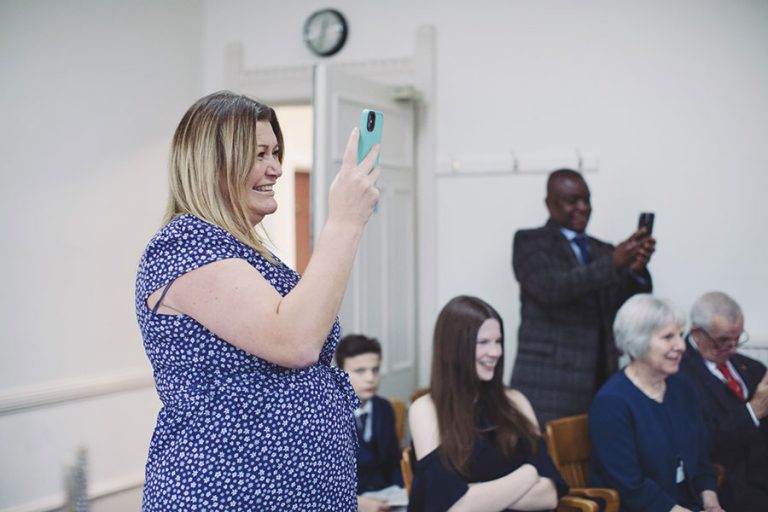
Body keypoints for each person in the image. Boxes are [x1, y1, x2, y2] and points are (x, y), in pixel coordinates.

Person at [134, 91, 381, 511]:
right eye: (260, 154)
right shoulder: (184, 244)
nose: (276, 168)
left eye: (276, 152)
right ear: (213, 164)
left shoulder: (245, 252)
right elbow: (295, 341)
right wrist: (344, 221)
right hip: (223, 493)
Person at [510, 168, 656, 425]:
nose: (583, 207)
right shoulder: (529, 242)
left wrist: (635, 270)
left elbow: (623, 304)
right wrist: (613, 263)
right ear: (549, 203)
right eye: (572, 200)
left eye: (587, 200)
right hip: (549, 380)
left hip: (600, 376)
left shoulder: (603, 250)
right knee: (546, 447)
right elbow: (551, 289)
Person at [408, 296, 568, 512]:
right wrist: (528, 474)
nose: (496, 352)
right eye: (483, 342)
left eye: (498, 341)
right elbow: (453, 507)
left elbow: (548, 497)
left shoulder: (516, 401)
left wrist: (476, 494)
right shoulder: (426, 410)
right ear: (453, 348)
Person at [589, 294, 724, 512]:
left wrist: (712, 504)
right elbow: (630, 488)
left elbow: (701, 461)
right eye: (668, 337)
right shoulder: (611, 403)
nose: (681, 346)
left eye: (681, 335)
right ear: (638, 341)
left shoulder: (682, 388)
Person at [679, 291, 768, 511]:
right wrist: (751, 412)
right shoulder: (677, 375)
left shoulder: (753, 368)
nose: (733, 348)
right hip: (726, 483)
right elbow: (702, 440)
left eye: (737, 338)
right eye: (723, 340)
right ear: (697, 333)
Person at [335, 334, 404, 512]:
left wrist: (401, 492)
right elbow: (324, 478)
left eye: (375, 370)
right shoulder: (330, 414)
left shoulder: (384, 407)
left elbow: (393, 460)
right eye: (360, 371)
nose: (370, 378)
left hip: (387, 496)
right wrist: (358, 502)